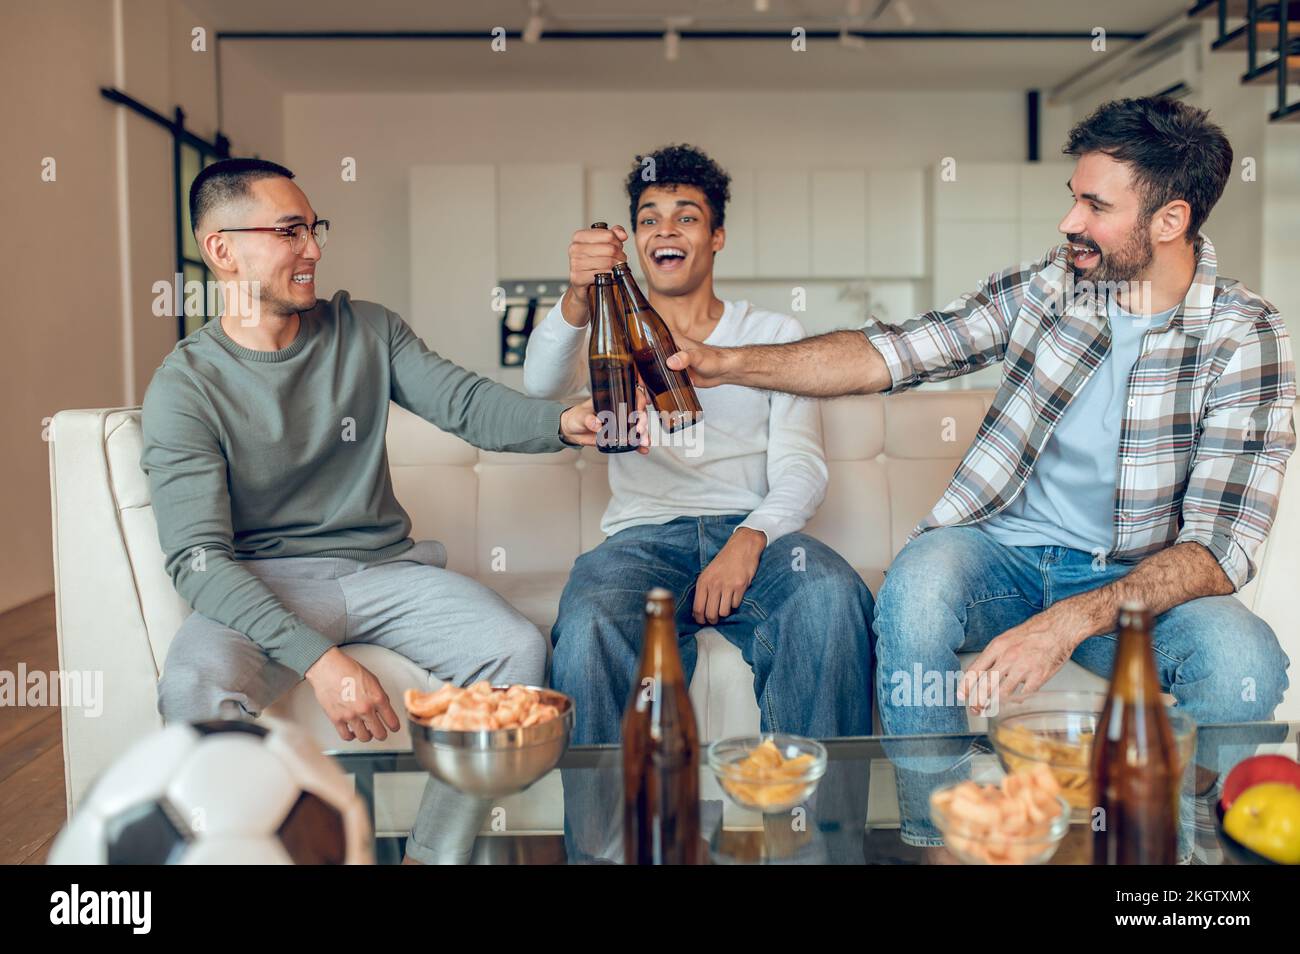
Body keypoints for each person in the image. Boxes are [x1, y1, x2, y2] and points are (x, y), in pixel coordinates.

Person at [664, 98, 1295, 850]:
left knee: (1242, 659)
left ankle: (1194, 848)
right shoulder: (1049, 289)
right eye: (1073, 197)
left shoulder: (1244, 336)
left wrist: (1064, 625)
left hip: (1136, 581)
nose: (1069, 222)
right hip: (1002, 555)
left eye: (1095, 205)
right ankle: (945, 838)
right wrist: (729, 363)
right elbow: (891, 353)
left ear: (1169, 220)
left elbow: (1219, 550)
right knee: (919, 588)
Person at [141, 157, 617, 864]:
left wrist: (563, 423)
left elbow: (465, 403)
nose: (314, 248)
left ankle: (430, 854)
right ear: (222, 249)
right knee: (191, 683)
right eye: (290, 230)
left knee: (515, 646)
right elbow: (199, 560)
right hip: (265, 579)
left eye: (314, 227)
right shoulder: (185, 386)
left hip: (385, 571)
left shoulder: (365, 330)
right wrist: (322, 663)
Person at [524, 144, 874, 861]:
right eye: (649, 218)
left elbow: (801, 468)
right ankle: (606, 853)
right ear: (634, 240)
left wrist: (750, 540)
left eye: (687, 216)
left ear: (716, 236)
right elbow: (537, 386)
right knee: (589, 619)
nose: (666, 230)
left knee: (833, 597)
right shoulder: (612, 328)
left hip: (759, 536)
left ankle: (819, 850)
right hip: (641, 540)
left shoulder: (772, 337)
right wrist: (575, 294)